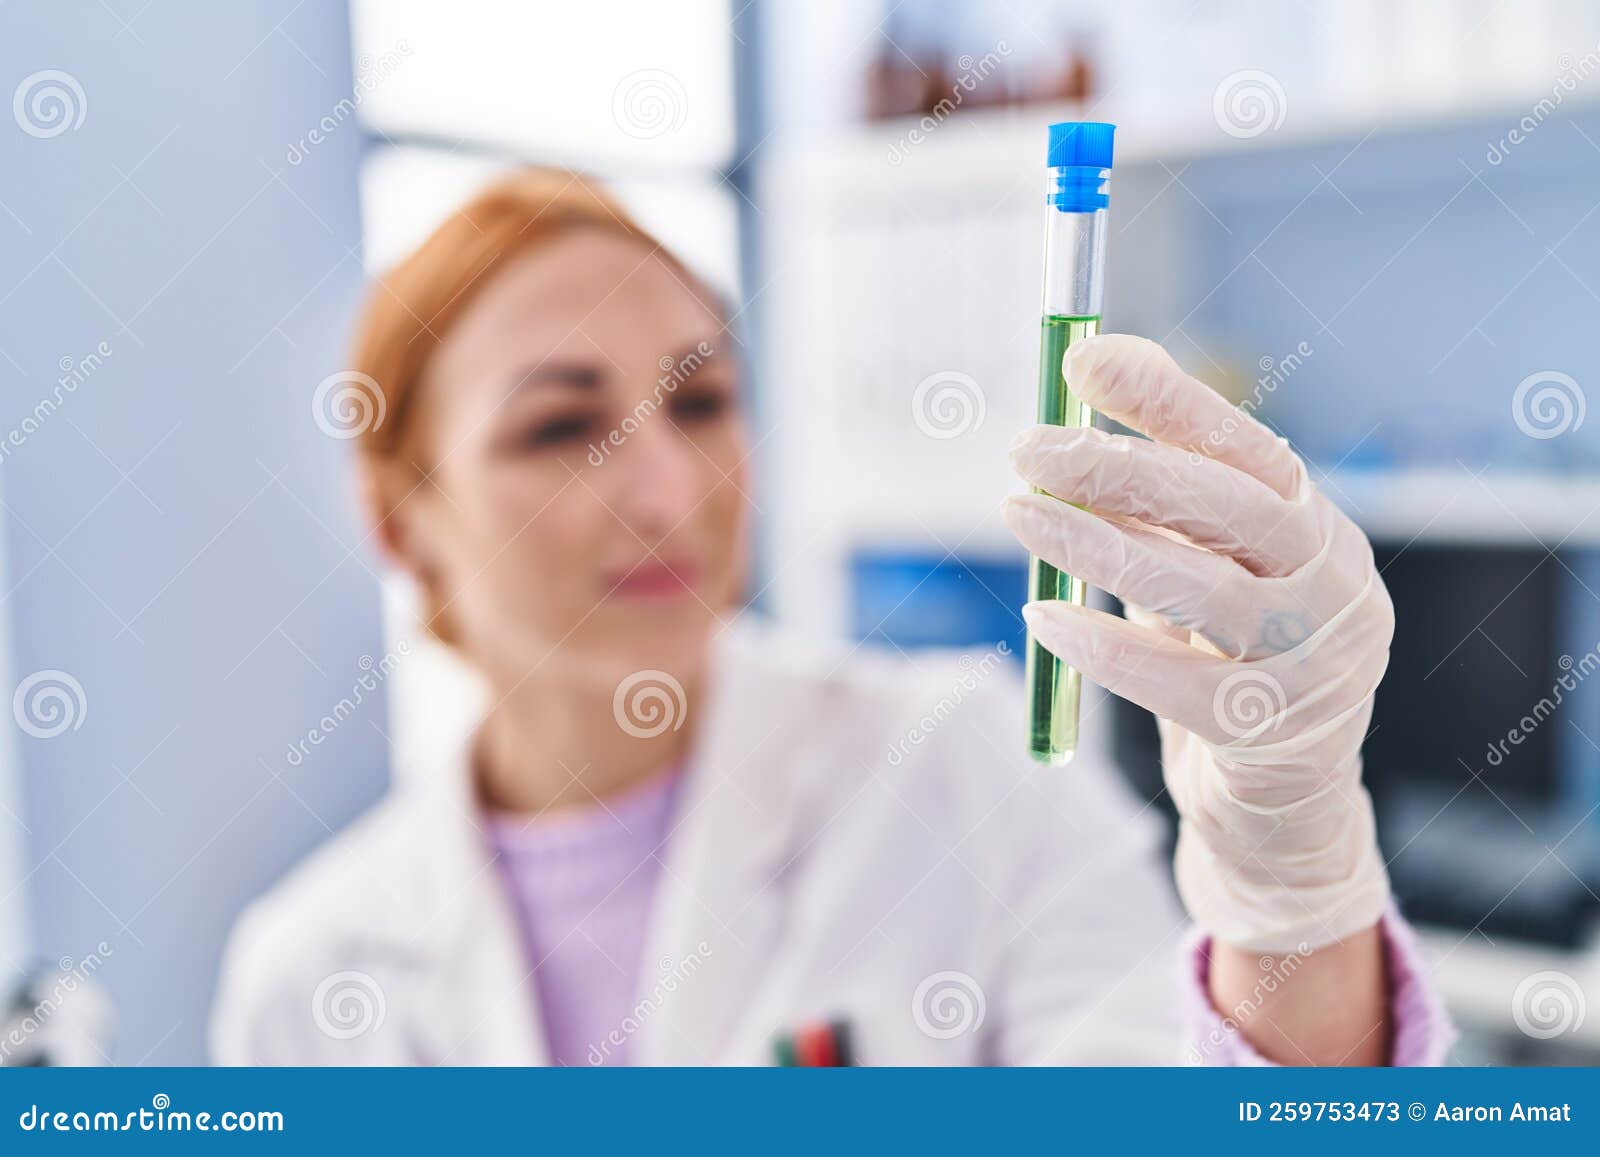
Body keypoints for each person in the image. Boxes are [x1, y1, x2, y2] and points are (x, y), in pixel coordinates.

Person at [210, 169, 1453, 1066]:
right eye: (562, 425)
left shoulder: (962, 764)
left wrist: (1289, 891)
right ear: (400, 517)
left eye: (700, 402)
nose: (669, 491)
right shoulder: (309, 972)